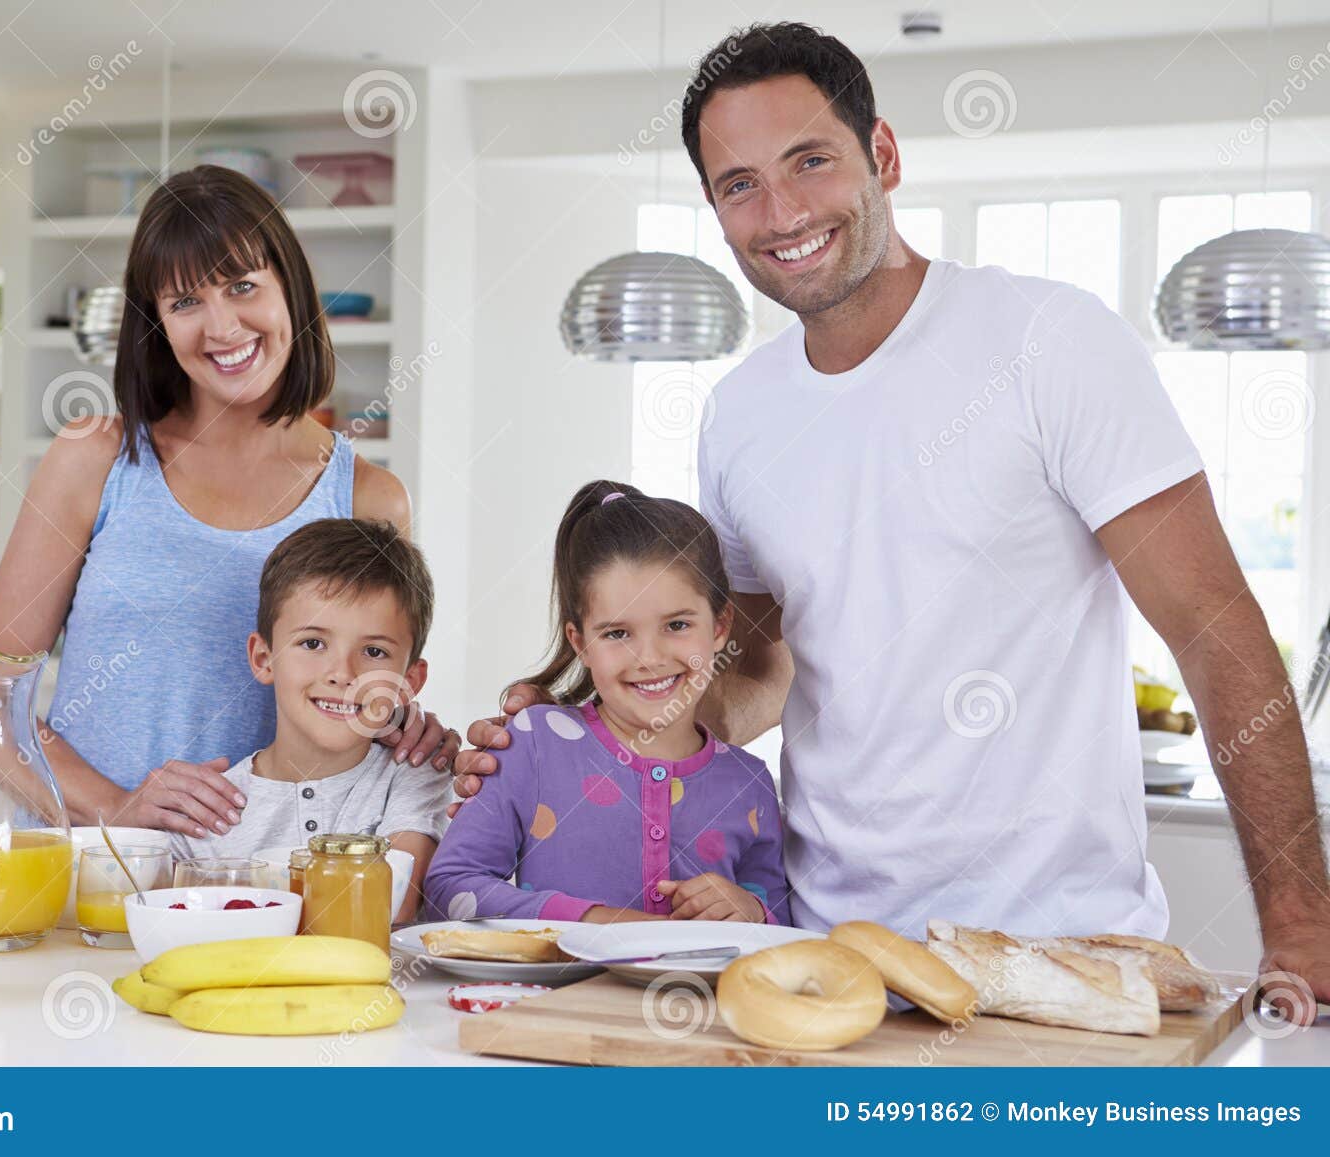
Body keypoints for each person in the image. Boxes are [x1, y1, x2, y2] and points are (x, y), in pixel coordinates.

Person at [454, 22, 1330, 1018]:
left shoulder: (1049, 339)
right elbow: (751, 674)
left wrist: (1302, 924)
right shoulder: (738, 412)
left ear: (882, 156)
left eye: (809, 161)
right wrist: (577, 731)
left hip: (1064, 955)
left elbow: (1212, 626)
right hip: (828, 954)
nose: (779, 211)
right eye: (737, 183)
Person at [0, 165, 458, 841]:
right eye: (184, 302)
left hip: (268, 888)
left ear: (289, 288)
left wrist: (401, 725)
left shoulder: (369, 499)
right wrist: (116, 808)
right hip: (92, 885)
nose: (222, 326)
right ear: (156, 325)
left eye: (242, 285)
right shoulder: (95, 458)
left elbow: (344, 702)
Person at [425, 481, 790, 925]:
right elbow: (451, 887)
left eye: (677, 624)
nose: (650, 658)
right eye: (617, 633)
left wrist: (751, 912)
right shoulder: (534, 743)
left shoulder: (749, 784)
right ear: (580, 642)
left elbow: (781, 935)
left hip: (696, 998)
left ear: (720, 626)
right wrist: (600, 922)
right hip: (553, 998)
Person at [169, 518, 450, 922]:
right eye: (313, 643)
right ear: (264, 659)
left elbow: (391, 903)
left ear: (408, 680)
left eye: (373, 652)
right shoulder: (210, 810)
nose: (342, 673)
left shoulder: (416, 778)